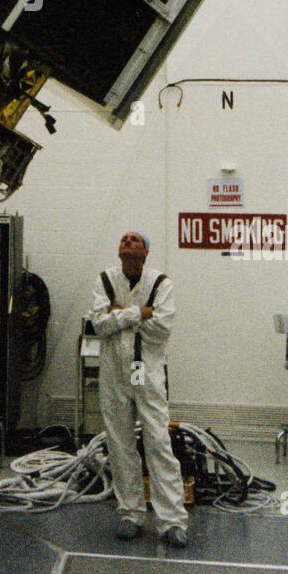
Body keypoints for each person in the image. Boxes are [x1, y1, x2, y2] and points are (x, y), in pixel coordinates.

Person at [90, 230, 189, 545]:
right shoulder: (105, 280)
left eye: (135, 240)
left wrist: (118, 314)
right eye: (123, 238)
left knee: (158, 441)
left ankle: (171, 521)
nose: (127, 242)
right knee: (120, 443)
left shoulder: (161, 284)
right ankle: (130, 513)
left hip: (145, 372)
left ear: (146, 252)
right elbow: (98, 325)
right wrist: (138, 313)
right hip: (114, 373)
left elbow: (161, 328)